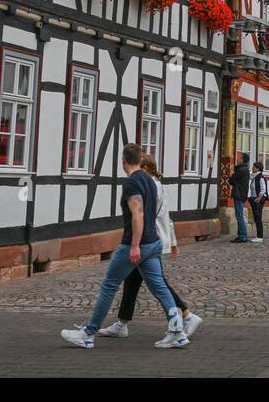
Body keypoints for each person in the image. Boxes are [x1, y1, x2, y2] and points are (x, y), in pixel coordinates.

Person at [61, 144, 184, 349]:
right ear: (141, 160)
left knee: (109, 285)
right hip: (154, 242)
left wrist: (134, 245)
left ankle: (88, 333)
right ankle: (177, 332)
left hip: (136, 244)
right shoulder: (151, 181)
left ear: (123, 161)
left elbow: (138, 213)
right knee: (160, 288)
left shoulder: (132, 183)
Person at [98, 154, 201, 347]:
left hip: (147, 241)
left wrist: (143, 241)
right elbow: (165, 215)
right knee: (133, 281)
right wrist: (173, 241)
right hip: (150, 239)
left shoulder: (151, 185)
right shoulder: (154, 183)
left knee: (158, 283)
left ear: (144, 168)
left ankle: (186, 315)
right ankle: (122, 323)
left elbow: (152, 214)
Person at [229, 151, 251, 244]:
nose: (238, 159)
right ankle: (241, 235)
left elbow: (231, 180)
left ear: (243, 160)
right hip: (241, 194)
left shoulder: (241, 170)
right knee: (240, 215)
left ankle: (242, 236)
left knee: (239, 216)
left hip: (238, 194)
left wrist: (234, 182)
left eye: (240, 158)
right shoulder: (245, 169)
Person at [248, 160, 269, 244]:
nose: (252, 168)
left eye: (253, 167)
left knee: (258, 217)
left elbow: (263, 189)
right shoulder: (254, 177)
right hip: (254, 199)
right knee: (256, 218)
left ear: (257, 168)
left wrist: (258, 198)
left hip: (258, 200)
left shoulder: (260, 177)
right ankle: (258, 235)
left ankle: (260, 236)